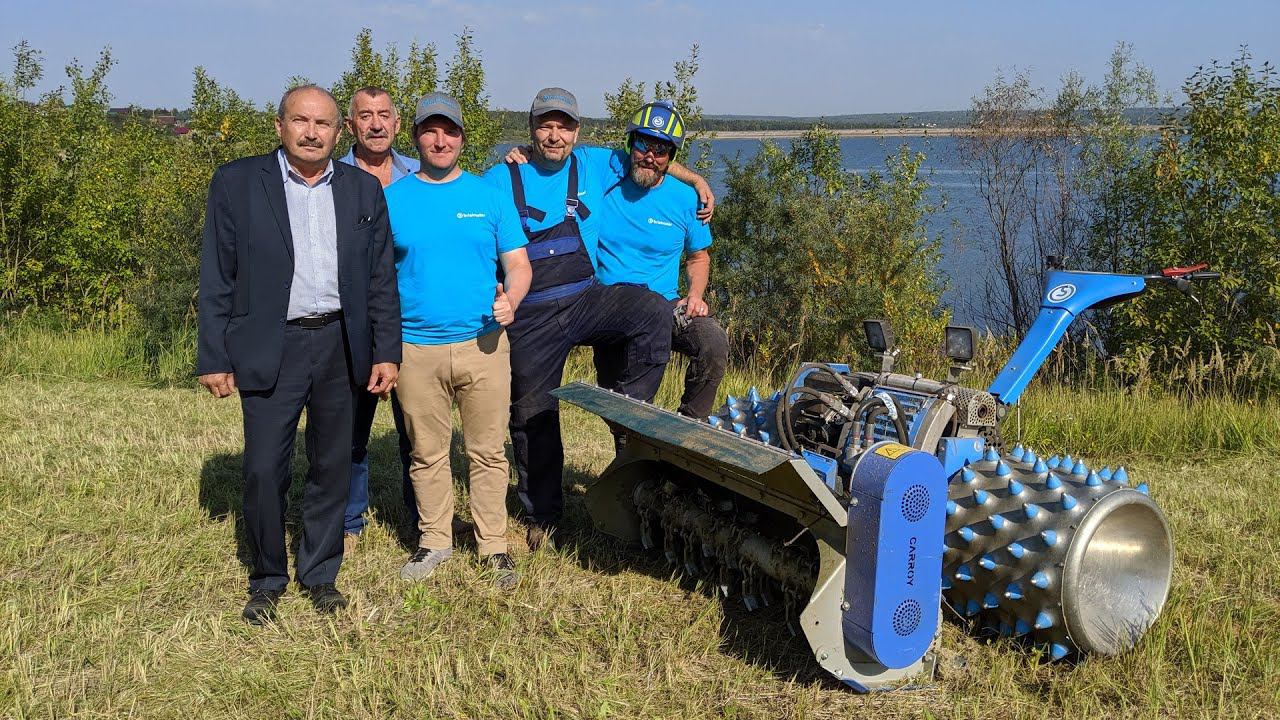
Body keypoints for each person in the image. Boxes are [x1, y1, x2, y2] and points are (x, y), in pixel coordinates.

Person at [196, 84, 401, 624]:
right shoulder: (238, 184)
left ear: (340, 132)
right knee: (264, 468)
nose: (312, 133)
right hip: (272, 343)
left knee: (333, 465)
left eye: (324, 124)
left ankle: (320, 572)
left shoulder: (361, 190)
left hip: (340, 343)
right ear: (280, 125)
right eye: (301, 121)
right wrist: (214, 355)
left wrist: (386, 350)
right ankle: (267, 577)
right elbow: (218, 275)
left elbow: (381, 280)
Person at [485, 88, 714, 549]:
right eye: (545, 126)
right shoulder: (500, 176)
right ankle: (544, 515)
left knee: (649, 307)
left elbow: (652, 156)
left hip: (584, 298)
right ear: (530, 129)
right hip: (531, 314)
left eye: (564, 126)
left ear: (577, 131)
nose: (555, 135)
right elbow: (477, 236)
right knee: (532, 411)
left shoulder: (592, 163)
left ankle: (630, 410)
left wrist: (695, 180)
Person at [386, 92, 532, 590]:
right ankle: (435, 542)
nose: (440, 139)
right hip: (414, 347)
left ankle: (493, 546)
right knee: (426, 453)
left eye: (449, 131)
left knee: (488, 452)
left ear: (462, 139)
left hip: (484, 345)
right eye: (430, 130)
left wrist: (511, 299)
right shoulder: (394, 199)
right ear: (417, 138)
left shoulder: (489, 196)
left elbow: (518, 264)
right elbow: (378, 276)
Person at [593, 100, 729, 418]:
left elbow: (698, 257)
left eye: (661, 149)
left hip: (665, 305)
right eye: (643, 145)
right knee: (620, 407)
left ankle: (689, 428)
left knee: (712, 341)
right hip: (610, 305)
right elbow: (558, 156)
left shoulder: (685, 199)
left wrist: (695, 295)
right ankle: (634, 450)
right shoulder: (604, 179)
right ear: (630, 143)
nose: (650, 156)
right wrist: (525, 153)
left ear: (671, 156)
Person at [338, 86, 419, 553]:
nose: (375, 124)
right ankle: (348, 522)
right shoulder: (331, 177)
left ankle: (422, 521)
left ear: (396, 121)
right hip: (352, 322)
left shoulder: (418, 174)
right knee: (350, 428)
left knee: (416, 432)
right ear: (350, 126)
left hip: (411, 319)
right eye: (364, 116)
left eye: (384, 115)